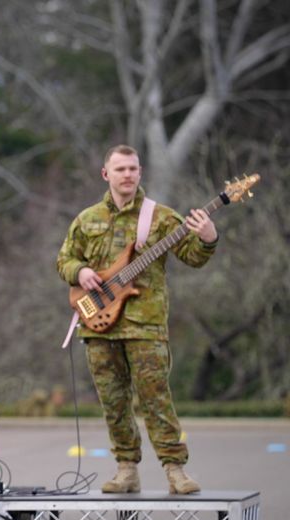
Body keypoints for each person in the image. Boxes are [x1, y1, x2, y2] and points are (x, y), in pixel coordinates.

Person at [57, 145, 218, 495]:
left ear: (140, 172)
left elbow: (193, 257)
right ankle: (126, 469)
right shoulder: (86, 220)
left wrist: (207, 238)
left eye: (132, 168)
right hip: (98, 325)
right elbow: (64, 259)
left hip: (145, 326)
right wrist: (80, 271)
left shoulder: (160, 217)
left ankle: (175, 470)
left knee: (156, 399)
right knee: (113, 403)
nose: (127, 174)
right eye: (120, 169)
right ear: (106, 174)